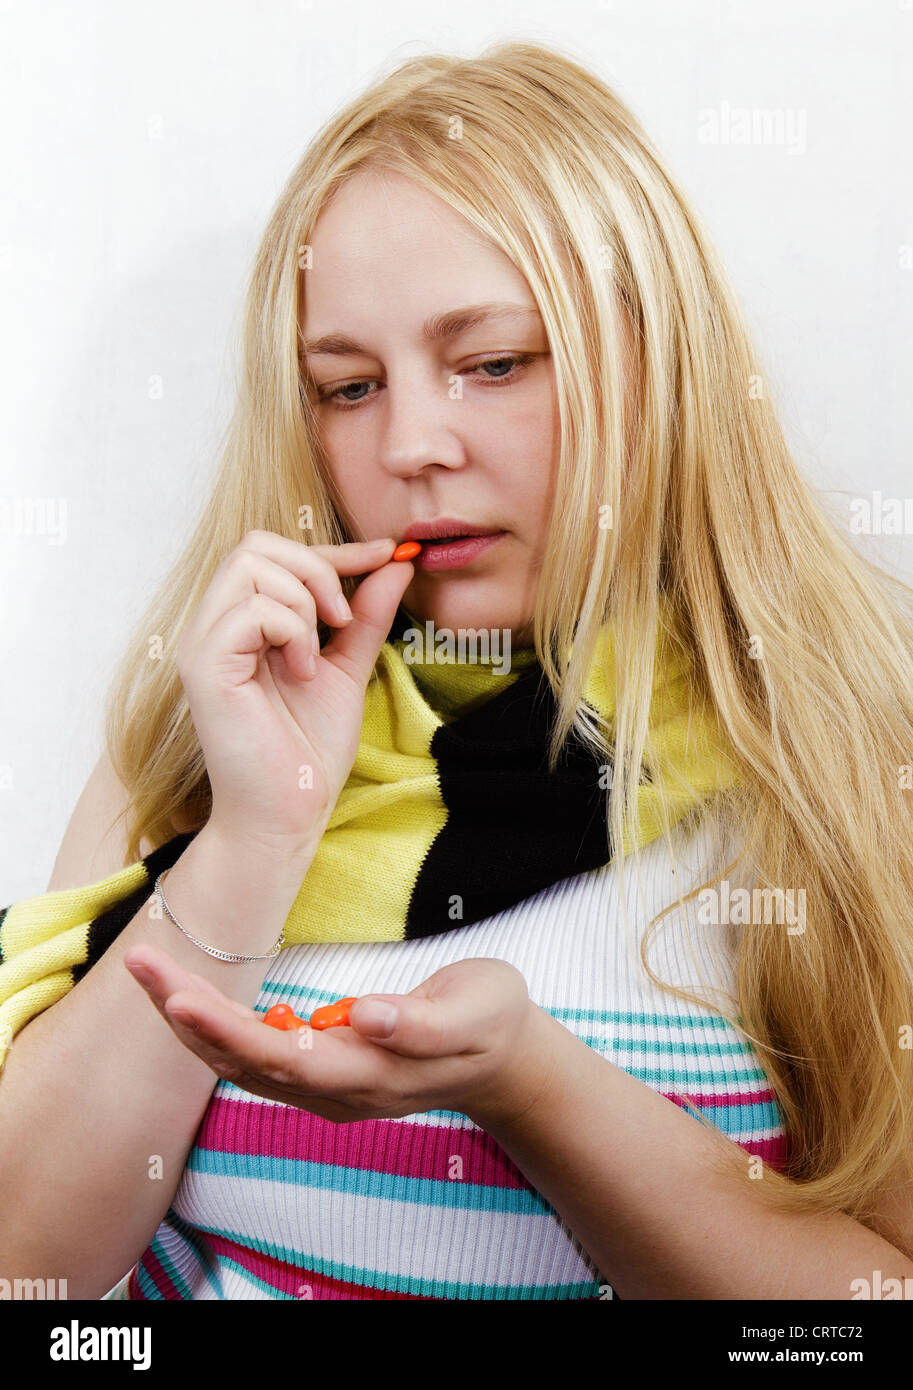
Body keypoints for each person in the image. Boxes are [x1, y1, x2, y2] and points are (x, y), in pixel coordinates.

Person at [2, 39, 913, 1302]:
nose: (412, 445)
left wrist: (527, 1081)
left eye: (493, 363)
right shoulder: (197, 738)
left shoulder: (841, 747)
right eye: (347, 386)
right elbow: (28, 1269)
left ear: (655, 362)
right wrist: (260, 831)